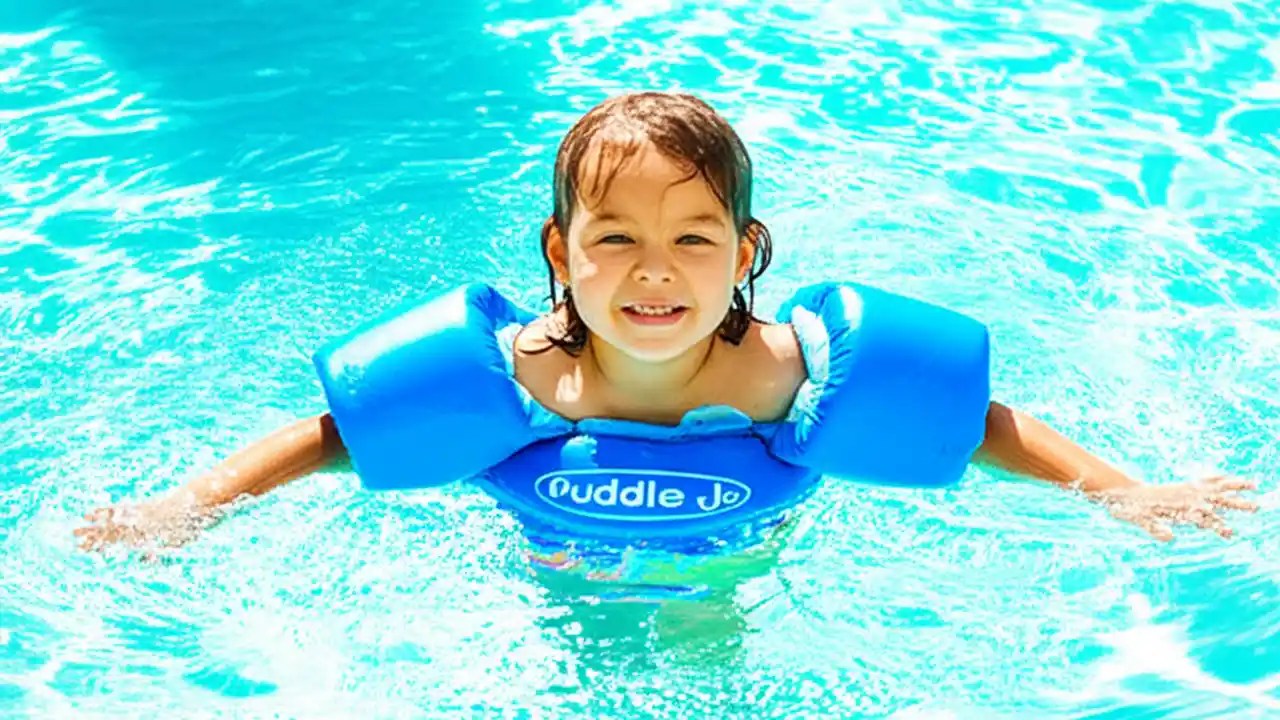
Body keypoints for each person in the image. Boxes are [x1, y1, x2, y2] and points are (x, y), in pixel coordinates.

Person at [75, 91, 1258, 556]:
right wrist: (188, 507)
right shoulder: (522, 379)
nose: (655, 273)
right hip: (552, 535)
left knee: (709, 642)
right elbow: (331, 436)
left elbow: (973, 425)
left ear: (745, 257)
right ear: (559, 256)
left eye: (693, 240)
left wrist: (1121, 491)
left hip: (736, 542)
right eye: (614, 240)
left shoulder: (787, 372)